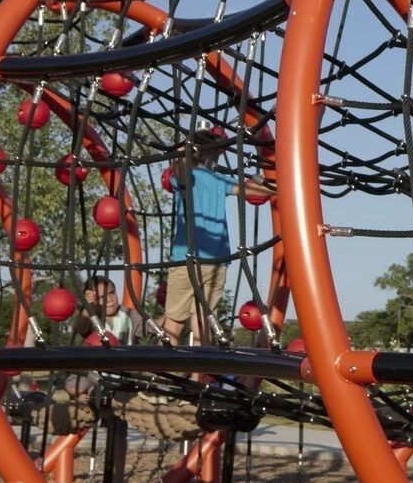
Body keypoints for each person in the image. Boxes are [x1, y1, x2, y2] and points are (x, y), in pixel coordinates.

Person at [161, 129, 273, 345]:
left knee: (174, 322)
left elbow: (180, 170)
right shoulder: (205, 178)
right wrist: (275, 186)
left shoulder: (201, 177)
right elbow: (253, 192)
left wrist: (178, 155)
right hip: (213, 260)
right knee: (201, 320)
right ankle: (198, 376)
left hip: (187, 261)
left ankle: (161, 373)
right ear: (210, 155)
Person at [75, 275, 134, 344]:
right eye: (102, 297)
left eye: (111, 293)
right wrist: (88, 307)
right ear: (93, 301)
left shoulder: (129, 313)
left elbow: (148, 326)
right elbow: (81, 330)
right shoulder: (92, 317)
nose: (109, 299)